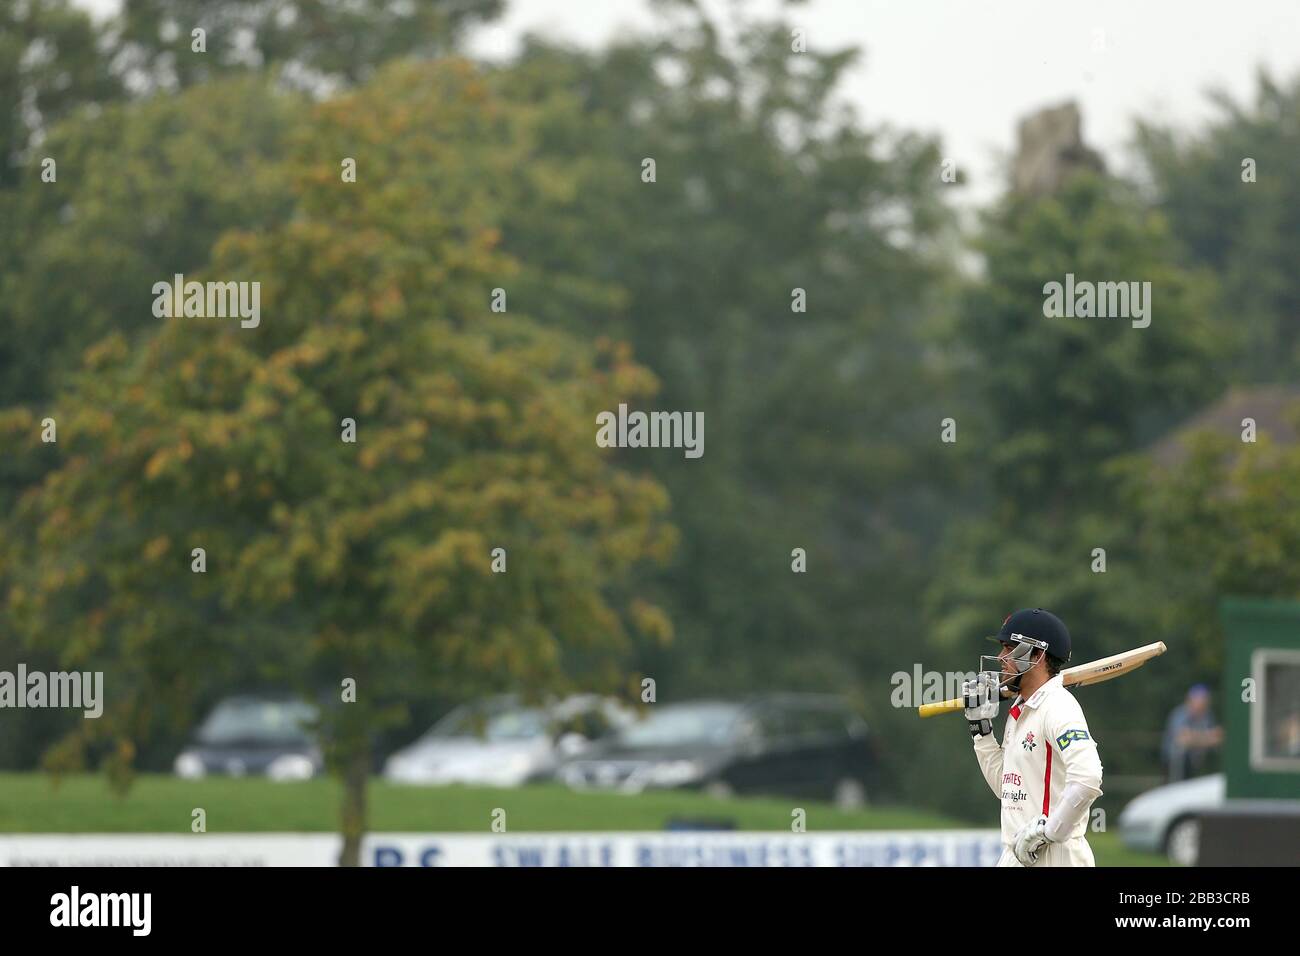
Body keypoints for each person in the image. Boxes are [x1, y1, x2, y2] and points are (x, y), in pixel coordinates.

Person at [962, 608, 1104, 867]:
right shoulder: (1021, 709)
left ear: (1037, 655)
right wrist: (981, 730)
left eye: (1009, 648)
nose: (1001, 657)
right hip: (1017, 853)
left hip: (1054, 855)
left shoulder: (1058, 706)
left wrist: (1049, 831)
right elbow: (1008, 789)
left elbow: (1088, 777)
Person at [1161, 684, 1223, 781]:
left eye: (1204, 701)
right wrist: (1207, 738)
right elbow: (1182, 740)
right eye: (1198, 701)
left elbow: (1218, 738)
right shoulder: (1179, 714)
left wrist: (1194, 737)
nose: (1201, 705)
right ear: (1190, 701)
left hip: (1196, 763)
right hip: (1175, 764)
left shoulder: (1207, 716)